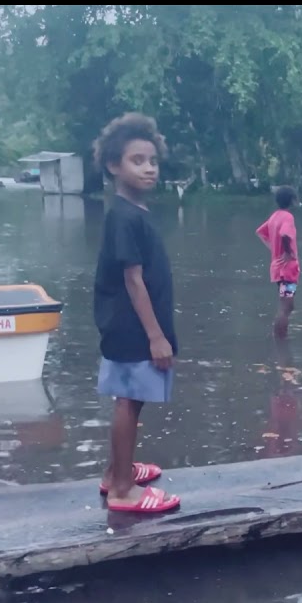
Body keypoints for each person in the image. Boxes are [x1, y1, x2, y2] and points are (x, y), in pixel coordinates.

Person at [91, 112, 181, 513]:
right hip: (132, 329)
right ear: (114, 166)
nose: (148, 169)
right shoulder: (123, 217)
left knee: (134, 398)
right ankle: (123, 490)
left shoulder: (135, 213)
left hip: (138, 328)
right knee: (128, 400)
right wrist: (156, 335)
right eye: (136, 161)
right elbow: (132, 280)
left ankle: (117, 470)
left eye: (152, 161)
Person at [256, 185, 301, 338]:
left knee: (286, 304)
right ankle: (281, 341)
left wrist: (273, 248)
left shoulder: (274, 216)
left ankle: (281, 341)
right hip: (287, 269)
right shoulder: (288, 217)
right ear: (292, 200)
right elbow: (285, 235)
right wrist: (288, 252)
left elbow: (261, 232)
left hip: (278, 268)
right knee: (286, 307)